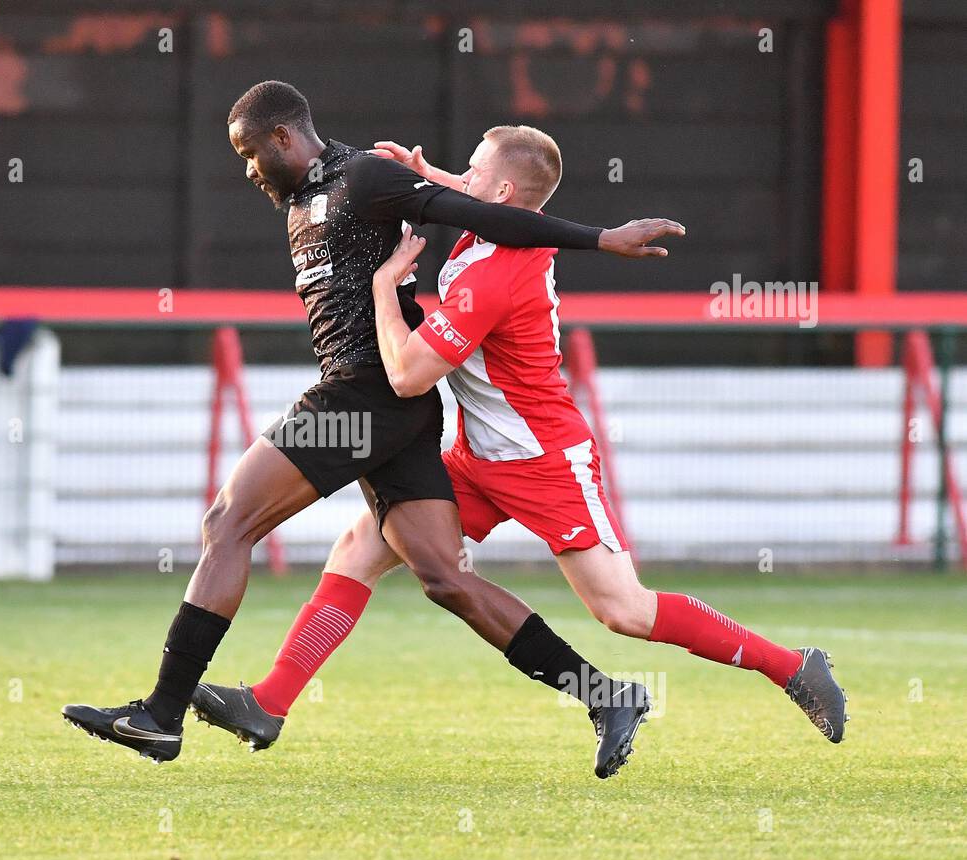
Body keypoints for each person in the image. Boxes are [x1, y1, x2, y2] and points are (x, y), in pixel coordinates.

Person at [63, 82, 683, 774]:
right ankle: (607, 697)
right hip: (390, 408)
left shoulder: (363, 177)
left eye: (249, 155)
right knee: (445, 578)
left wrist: (601, 239)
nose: (247, 171)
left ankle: (161, 715)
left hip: (361, 401)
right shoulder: (300, 200)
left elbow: (491, 216)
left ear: (283, 139)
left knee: (227, 522)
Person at [191, 126, 848, 768]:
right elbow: (478, 199)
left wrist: (382, 292)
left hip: (544, 460)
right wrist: (432, 175)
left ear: (502, 190)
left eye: (473, 167)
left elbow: (407, 374)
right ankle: (270, 703)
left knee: (622, 610)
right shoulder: (493, 224)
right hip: (481, 459)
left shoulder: (493, 273)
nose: (461, 173)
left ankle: (792, 667)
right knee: (360, 549)